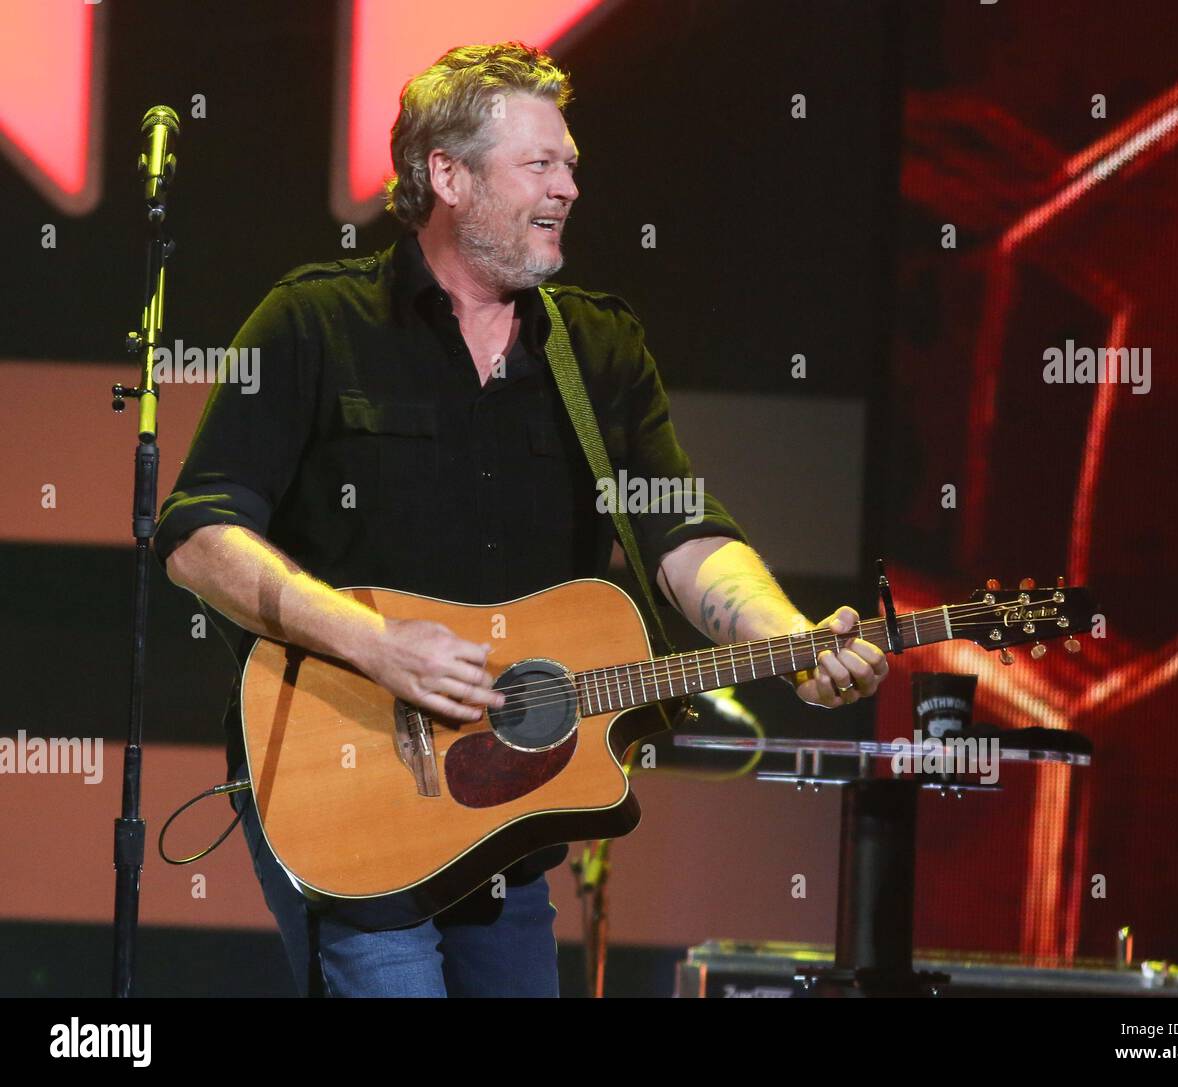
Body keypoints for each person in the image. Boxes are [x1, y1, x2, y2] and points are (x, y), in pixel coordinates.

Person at [155, 41, 888, 998]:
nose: (570, 187)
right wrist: (377, 645)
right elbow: (199, 537)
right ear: (446, 174)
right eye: (540, 164)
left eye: (572, 164)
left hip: (509, 820)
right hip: (342, 783)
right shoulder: (313, 325)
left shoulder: (598, 346)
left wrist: (784, 634)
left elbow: (681, 533)